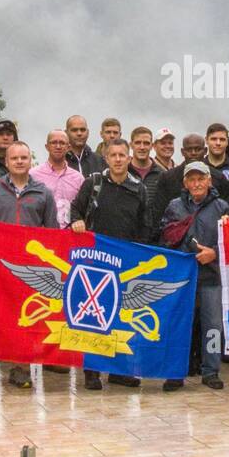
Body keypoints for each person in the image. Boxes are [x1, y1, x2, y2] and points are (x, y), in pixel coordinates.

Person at [0, 140, 60, 390]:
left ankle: (20, 368)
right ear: (6, 162)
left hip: (29, 270)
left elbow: (53, 231)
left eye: (24, 157)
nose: (19, 161)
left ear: (31, 161)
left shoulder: (43, 193)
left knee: (24, 317)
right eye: (14, 158)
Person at [70, 138, 155, 389]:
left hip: (125, 264)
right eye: (113, 155)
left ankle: (119, 371)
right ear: (105, 158)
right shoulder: (93, 183)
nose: (118, 159)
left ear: (129, 159)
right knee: (94, 317)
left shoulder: (138, 189)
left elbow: (145, 226)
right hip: (95, 261)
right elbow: (75, 210)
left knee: (120, 318)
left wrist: (138, 256)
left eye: (122, 155)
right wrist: (77, 222)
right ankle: (92, 371)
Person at [159, 162, 229, 391]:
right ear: (185, 183)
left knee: (212, 326)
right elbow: (166, 236)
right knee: (179, 325)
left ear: (209, 181)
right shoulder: (174, 206)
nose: (197, 183)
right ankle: (175, 372)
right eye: (192, 179)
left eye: (201, 178)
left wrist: (214, 253)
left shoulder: (222, 207)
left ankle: (211, 371)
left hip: (211, 278)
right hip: (182, 279)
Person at [31, 129, 85, 228]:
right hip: (42, 235)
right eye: (54, 142)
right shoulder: (33, 175)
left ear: (68, 147)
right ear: (47, 147)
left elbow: (83, 209)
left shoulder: (78, 179)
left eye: (62, 143)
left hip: (69, 237)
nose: (58, 146)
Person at [127, 126, 166, 229]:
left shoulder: (163, 174)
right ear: (131, 145)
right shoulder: (123, 173)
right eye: (138, 143)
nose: (142, 147)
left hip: (154, 237)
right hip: (127, 236)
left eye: (146, 143)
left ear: (152, 146)